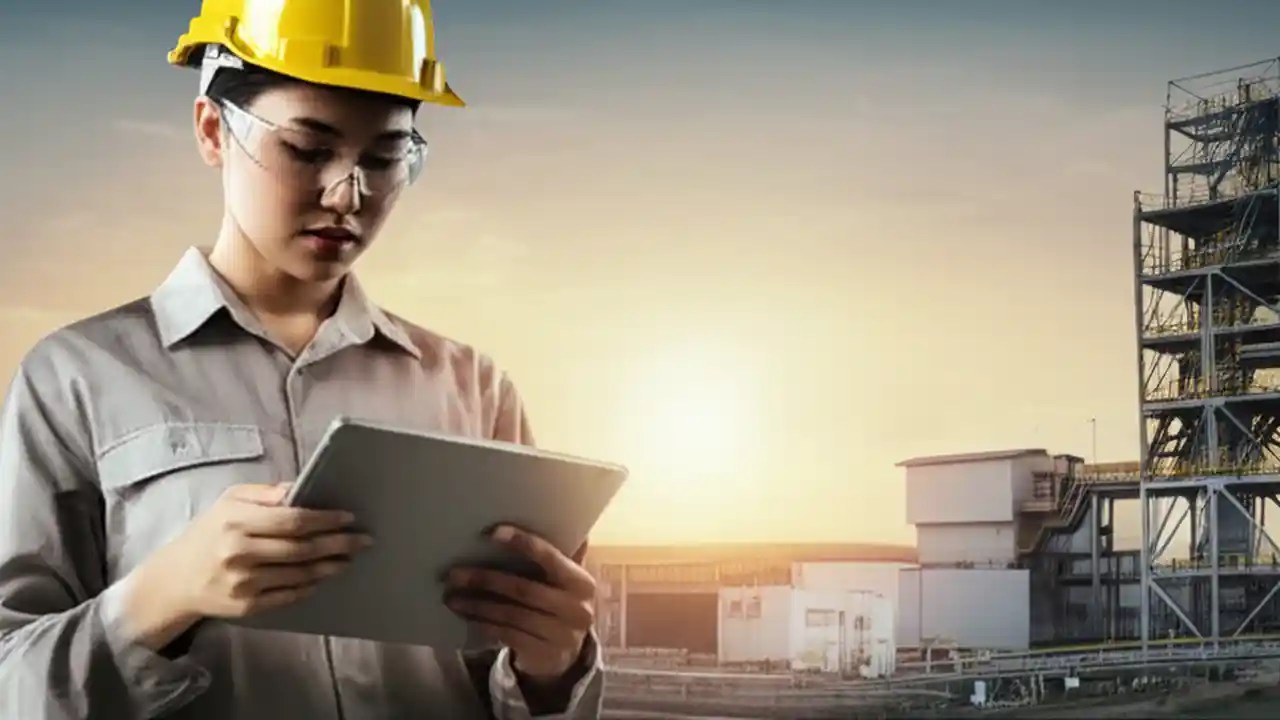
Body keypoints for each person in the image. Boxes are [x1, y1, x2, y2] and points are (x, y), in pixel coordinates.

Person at [0, 1, 604, 718]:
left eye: (384, 158)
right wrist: (160, 596)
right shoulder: (77, 379)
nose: (348, 193)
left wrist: (554, 670)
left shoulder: (472, 390)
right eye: (308, 150)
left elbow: (507, 684)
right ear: (211, 130)